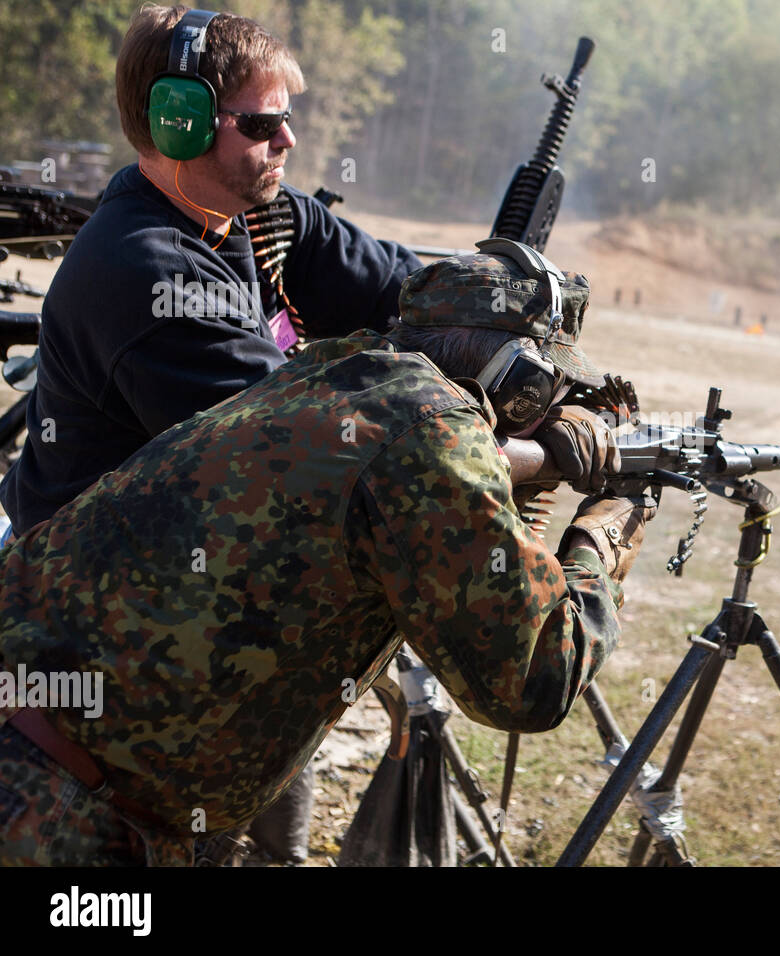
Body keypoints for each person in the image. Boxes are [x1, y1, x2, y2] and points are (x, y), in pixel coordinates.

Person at [0, 246, 656, 865]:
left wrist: (527, 476)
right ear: (518, 379)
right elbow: (535, 682)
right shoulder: (429, 437)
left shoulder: (333, 371)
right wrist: (609, 524)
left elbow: (464, 548)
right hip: (54, 814)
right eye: (547, 390)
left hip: (46, 753)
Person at [0, 4, 423, 536]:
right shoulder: (151, 275)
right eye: (260, 124)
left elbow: (402, 286)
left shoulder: (259, 214)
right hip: (88, 591)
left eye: (286, 118)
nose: (286, 139)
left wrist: (496, 305)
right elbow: (303, 448)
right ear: (180, 126)